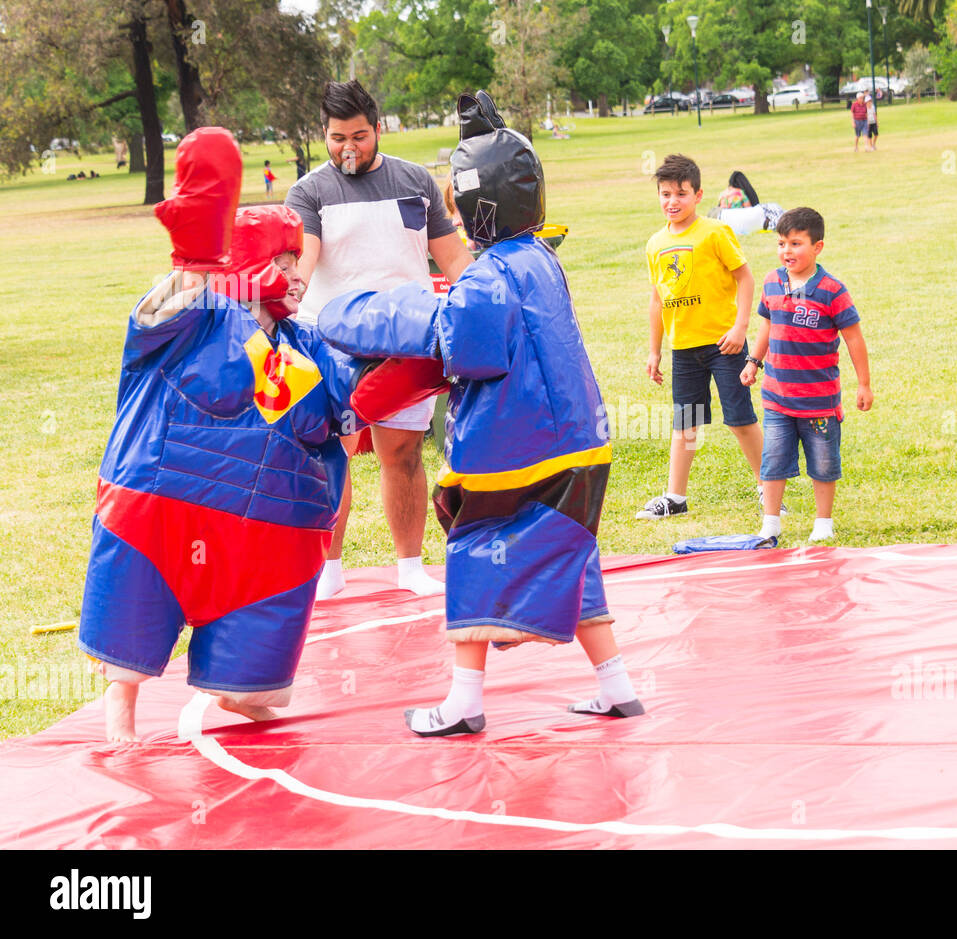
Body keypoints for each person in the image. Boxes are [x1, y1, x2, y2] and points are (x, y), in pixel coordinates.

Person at [317, 91, 643, 737]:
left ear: (476, 206)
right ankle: (617, 685)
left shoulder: (488, 278)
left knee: (475, 549)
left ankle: (463, 700)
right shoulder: (543, 261)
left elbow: (467, 347)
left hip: (517, 451)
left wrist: (364, 316)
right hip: (581, 444)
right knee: (568, 555)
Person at [78, 128, 364, 742]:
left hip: (264, 526)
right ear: (246, 263)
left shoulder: (305, 340)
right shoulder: (195, 318)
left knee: (257, 652)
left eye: (297, 264)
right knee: (133, 630)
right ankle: (120, 720)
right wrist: (193, 259)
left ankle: (245, 689)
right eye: (283, 264)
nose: (296, 276)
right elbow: (162, 308)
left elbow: (339, 413)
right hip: (166, 499)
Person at [285, 80, 472, 600]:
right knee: (330, 455)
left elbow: (452, 257)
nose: (348, 146)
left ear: (378, 129)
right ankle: (329, 571)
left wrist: (485, 293)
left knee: (405, 454)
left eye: (359, 136)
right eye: (337, 136)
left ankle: (410, 567)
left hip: (406, 341)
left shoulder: (416, 180)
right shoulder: (309, 191)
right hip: (332, 344)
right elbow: (304, 255)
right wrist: (289, 292)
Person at [639, 154, 763, 520]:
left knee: (740, 419)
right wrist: (654, 351)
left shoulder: (714, 232)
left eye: (681, 193)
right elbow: (657, 299)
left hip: (724, 344)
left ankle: (766, 486)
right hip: (684, 348)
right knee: (686, 422)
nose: (672, 201)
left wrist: (740, 328)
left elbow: (745, 278)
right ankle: (675, 497)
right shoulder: (655, 243)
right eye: (665, 194)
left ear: (698, 195)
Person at [739, 208, 873, 543]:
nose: (787, 251)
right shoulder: (772, 281)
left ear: (818, 247)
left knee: (824, 464)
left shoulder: (832, 291)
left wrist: (865, 384)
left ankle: (823, 523)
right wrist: (753, 361)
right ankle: (770, 522)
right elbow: (767, 324)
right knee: (773, 461)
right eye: (782, 243)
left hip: (819, 402)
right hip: (777, 398)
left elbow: (853, 337)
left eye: (796, 243)